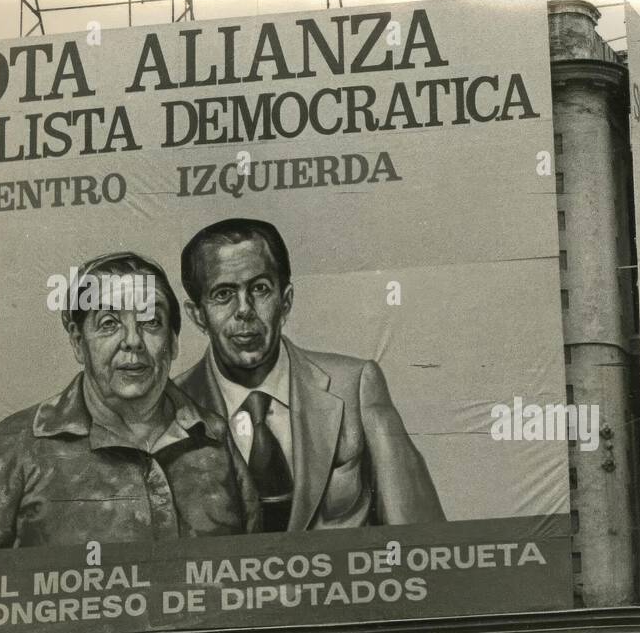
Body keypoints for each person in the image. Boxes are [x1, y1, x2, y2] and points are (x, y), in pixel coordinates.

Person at [0, 252, 260, 550]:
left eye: (151, 322)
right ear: (78, 342)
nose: (133, 341)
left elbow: (253, 573)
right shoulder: (20, 443)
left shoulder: (214, 439)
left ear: (174, 340)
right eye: (109, 323)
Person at [177, 218, 443, 532]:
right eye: (223, 294)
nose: (244, 309)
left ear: (285, 301)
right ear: (198, 316)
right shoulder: (171, 407)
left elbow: (423, 538)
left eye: (260, 289)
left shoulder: (355, 386)